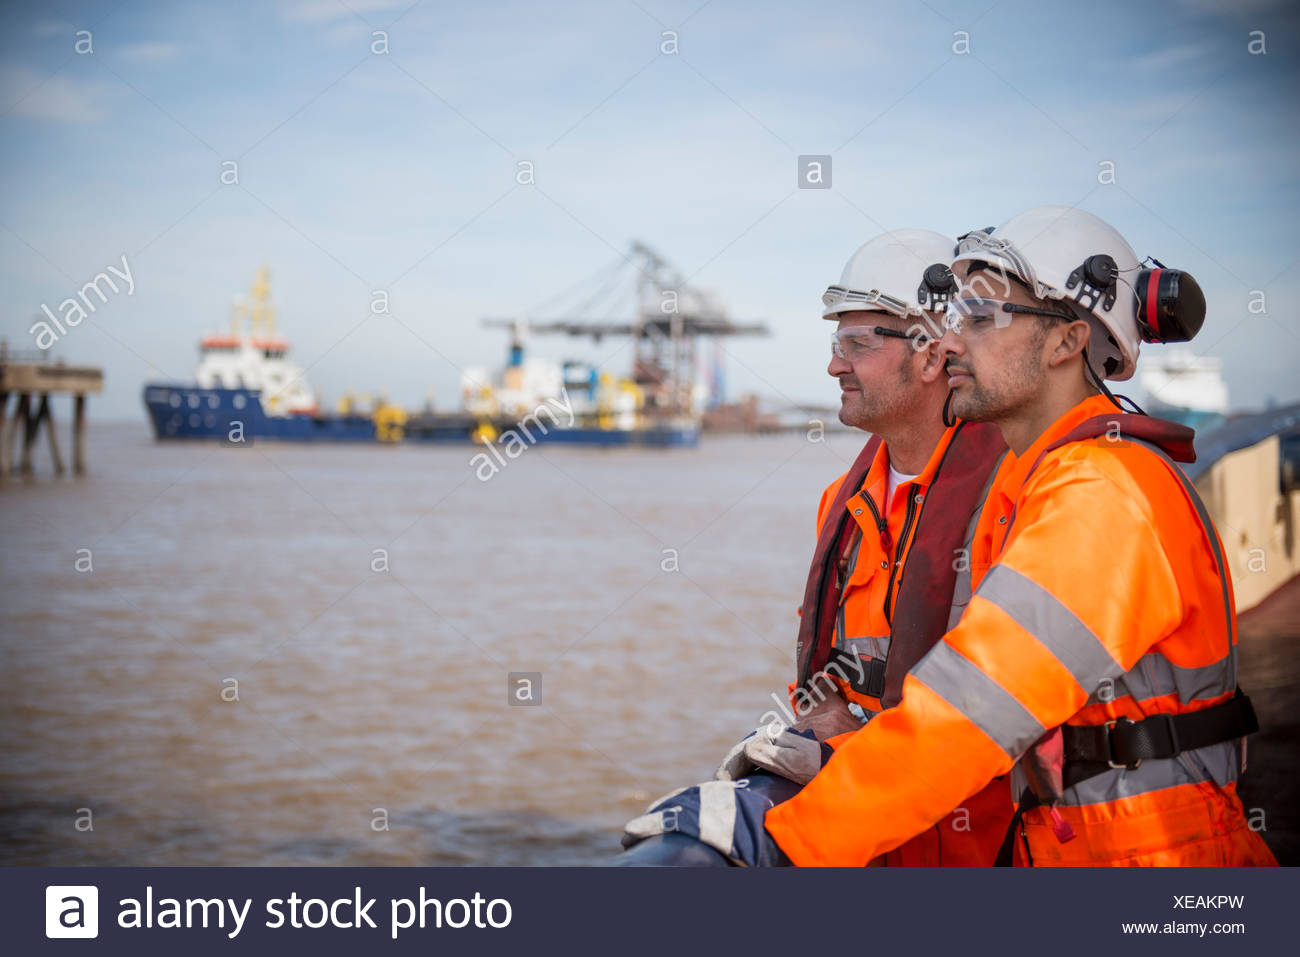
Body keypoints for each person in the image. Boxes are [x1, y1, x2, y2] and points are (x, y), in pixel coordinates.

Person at [624, 229, 1011, 865]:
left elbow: (1002, 714)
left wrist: (836, 760)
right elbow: (827, 676)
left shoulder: (1013, 494)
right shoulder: (844, 502)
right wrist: (815, 738)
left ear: (934, 351)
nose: (835, 365)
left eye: (857, 344)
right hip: (868, 836)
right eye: (837, 343)